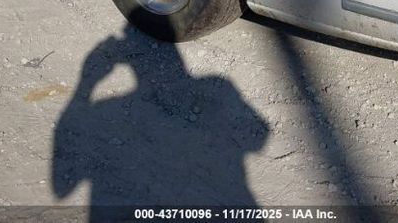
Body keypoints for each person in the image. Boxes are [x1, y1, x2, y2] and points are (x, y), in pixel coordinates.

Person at [51, 25, 268, 212]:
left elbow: (61, 188)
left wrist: (85, 85)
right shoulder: (218, 84)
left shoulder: (104, 110)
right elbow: (259, 136)